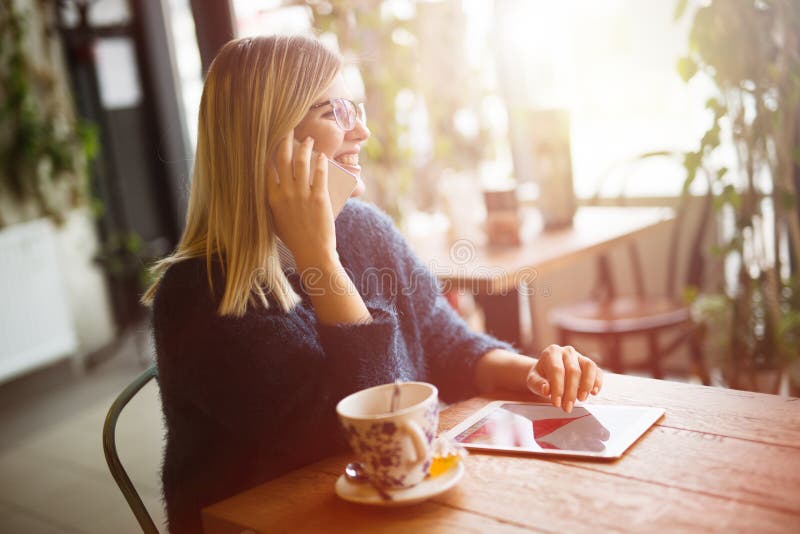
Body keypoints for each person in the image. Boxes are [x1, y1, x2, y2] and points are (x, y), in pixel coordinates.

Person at [142, 34, 603, 533]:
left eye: (356, 108)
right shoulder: (199, 296)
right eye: (334, 111)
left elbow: (449, 344)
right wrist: (320, 258)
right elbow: (374, 438)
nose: (361, 129)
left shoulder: (363, 229)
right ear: (269, 139)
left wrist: (533, 371)